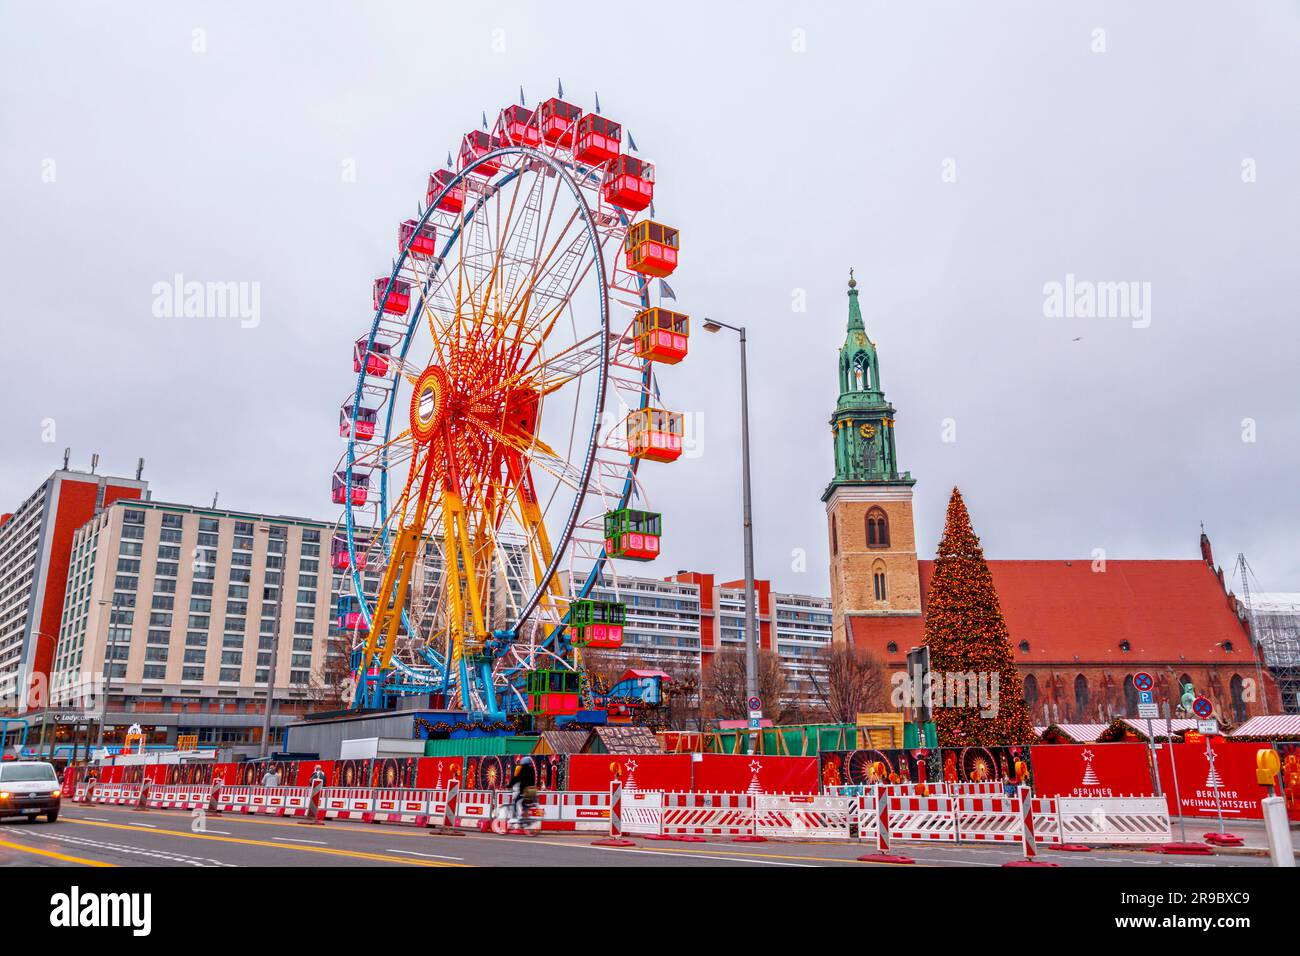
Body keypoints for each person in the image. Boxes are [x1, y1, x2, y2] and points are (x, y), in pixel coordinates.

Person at [507, 756, 538, 827]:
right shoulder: (532, 769)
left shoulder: (524, 769)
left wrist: (509, 785)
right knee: (525, 805)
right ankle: (526, 820)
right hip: (532, 790)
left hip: (525, 790)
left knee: (515, 801)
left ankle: (515, 818)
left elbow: (516, 778)